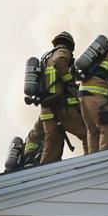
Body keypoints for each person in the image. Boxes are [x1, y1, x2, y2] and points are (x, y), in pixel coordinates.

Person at [39, 31, 88, 164]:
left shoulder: (46, 58)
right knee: (88, 134)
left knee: (51, 151)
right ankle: (91, 165)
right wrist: (69, 81)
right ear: (70, 45)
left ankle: (43, 178)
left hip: (48, 110)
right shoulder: (62, 51)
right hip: (61, 107)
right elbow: (59, 63)